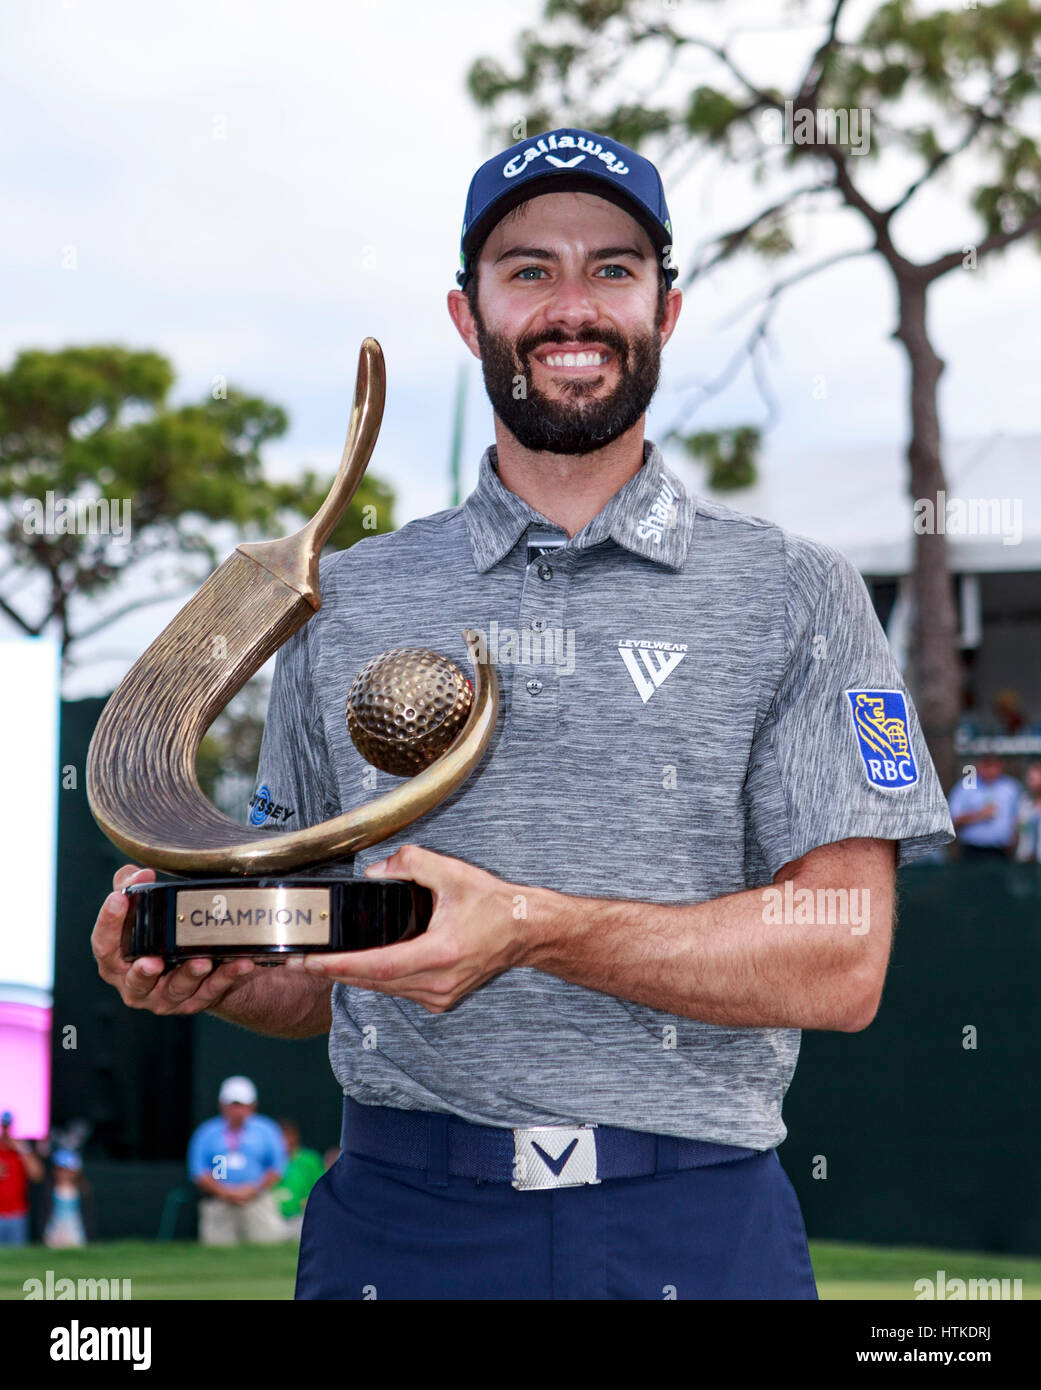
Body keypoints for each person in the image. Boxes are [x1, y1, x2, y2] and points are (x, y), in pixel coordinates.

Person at [92, 126, 955, 1300]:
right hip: (402, 1218)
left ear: (668, 306)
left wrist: (530, 924)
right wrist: (215, 959)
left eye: (612, 268)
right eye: (528, 270)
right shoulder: (342, 598)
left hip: (694, 1221)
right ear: (468, 314)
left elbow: (843, 954)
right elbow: (319, 968)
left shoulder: (798, 591)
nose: (573, 305)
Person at [186, 1077, 288, 1245]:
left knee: (268, 1245)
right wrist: (223, 1192)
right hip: (219, 1203)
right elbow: (198, 1171)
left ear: (253, 1105)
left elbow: (277, 1167)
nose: (237, 1110)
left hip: (257, 1201)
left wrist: (253, 1190)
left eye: (242, 1104)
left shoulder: (267, 1130)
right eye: (233, 1104)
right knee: (217, 1252)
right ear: (222, 1104)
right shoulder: (207, 1132)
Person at [948, 754, 1022, 859]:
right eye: (987, 765)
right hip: (972, 851)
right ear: (979, 766)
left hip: (1002, 852)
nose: (990, 770)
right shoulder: (965, 786)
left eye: (994, 766)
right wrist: (980, 815)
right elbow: (953, 819)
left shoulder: (1011, 787)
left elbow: (1019, 818)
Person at [272, 1119, 325, 1239]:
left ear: (295, 1137)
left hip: (301, 1217)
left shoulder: (310, 1160)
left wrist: (310, 1201)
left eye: (287, 1136)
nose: (283, 1141)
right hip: (270, 1217)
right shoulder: (264, 1161)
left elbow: (322, 1190)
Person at [0, 1111, 44, 1246]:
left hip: (17, 1214)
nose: (7, 1131)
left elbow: (37, 1175)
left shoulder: (22, 1151)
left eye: (9, 1127)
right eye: (4, 1127)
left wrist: (22, 1149)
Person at [42, 1149, 91, 1248]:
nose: (65, 1174)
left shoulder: (82, 1190)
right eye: (61, 1170)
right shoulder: (48, 1189)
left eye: (69, 1171)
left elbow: (88, 1215)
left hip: (75, 1231)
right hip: (54, 1231)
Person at [1015, 761, 1041, 862]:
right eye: (1030, 779)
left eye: (1034, 779)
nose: (1031, 783)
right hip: (1025, 859)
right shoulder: (1024, 801)